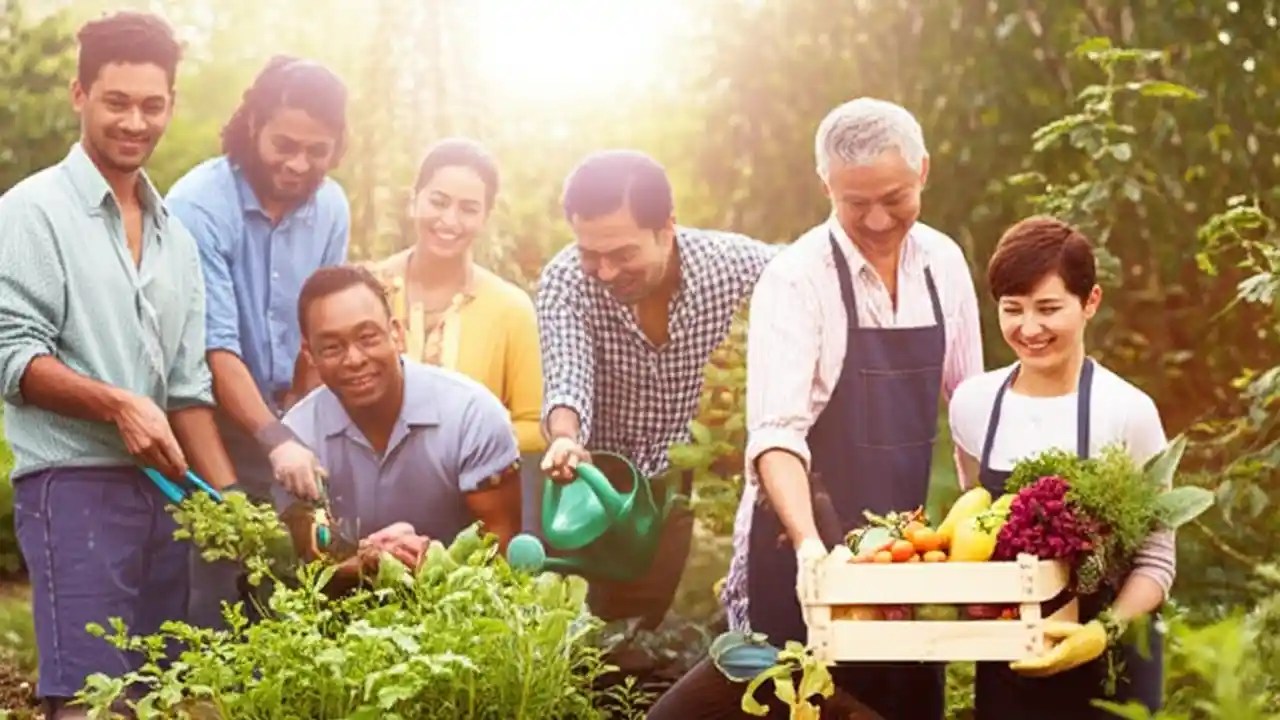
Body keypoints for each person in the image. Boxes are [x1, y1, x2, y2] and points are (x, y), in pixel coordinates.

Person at [651, 97, 984, 719]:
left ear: (924, 172)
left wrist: (990, 524)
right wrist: (810, 548)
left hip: (900, 551)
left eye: (896, 197)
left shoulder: (944, 264)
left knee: (896, 702)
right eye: (856, 203)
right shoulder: (797, 277)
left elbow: (969, 407)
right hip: (799, 549)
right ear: (825, 184)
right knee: (783, 697)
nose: (880, 220)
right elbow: (776, 432)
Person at [0, 12, 239, 718]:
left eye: (152, 104)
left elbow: (189, 391)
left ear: (170, 103)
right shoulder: (30, 213)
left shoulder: (179, 243)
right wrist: (119, 404)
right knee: (88, 701)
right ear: (80, 95)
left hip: (164, 496)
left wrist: (232, 510)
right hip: (71, 489)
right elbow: (12, 354)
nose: (135, 121)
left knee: (157, 696)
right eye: (117, 102)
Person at [536, 149, 777, 628]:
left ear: (666, 227)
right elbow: (568, 375)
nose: (604, 271)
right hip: (606, 487)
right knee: (603, 639)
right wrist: (566, 438)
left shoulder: (735, 267)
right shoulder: (565, 282)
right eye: (590, 253)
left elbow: (815, 277)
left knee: (712, 629)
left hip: (699, 481)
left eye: (622, 254)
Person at [947, 216, 1173, 719]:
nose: (1029, 329)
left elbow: (1158, 557)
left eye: (1049, 309)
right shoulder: (973, 405)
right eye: (1013, 309)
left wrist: (1102, 632)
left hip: (1115, 664)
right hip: (1011, 660)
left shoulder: (1128, 412)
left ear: (1090, 302)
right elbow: (976, 521)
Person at [165, 55, 351, 628]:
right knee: (218, 575)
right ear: (253, 126)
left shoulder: (332, 208)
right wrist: (278, 440)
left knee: (291, 585)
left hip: (280, 417)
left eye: (316, 150)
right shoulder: (199, 204)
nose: (298, 164)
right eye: (284, 144)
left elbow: (317, 337)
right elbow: (212, 348)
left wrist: (303, 428)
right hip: (203, 415)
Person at [275, 265, 523, 592]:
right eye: (332, 347)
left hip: (462, 605)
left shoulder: (472, 416)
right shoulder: (298, 438)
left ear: (397, 333)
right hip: (346, 610)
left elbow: (499, 547)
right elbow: (312, 555)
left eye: (367, 338)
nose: (354, 359)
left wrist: (431, 562)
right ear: (310, 355)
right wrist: (371, 560)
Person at [364, 138, 544, 533]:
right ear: (414, 200)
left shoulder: (510, 309)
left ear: (486, 217)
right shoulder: (370, 291)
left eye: (468, 208)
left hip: (475, 516)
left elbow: (534, 425)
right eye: (439, 201)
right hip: (370, 504)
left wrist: (459, 447)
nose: (450, 220)